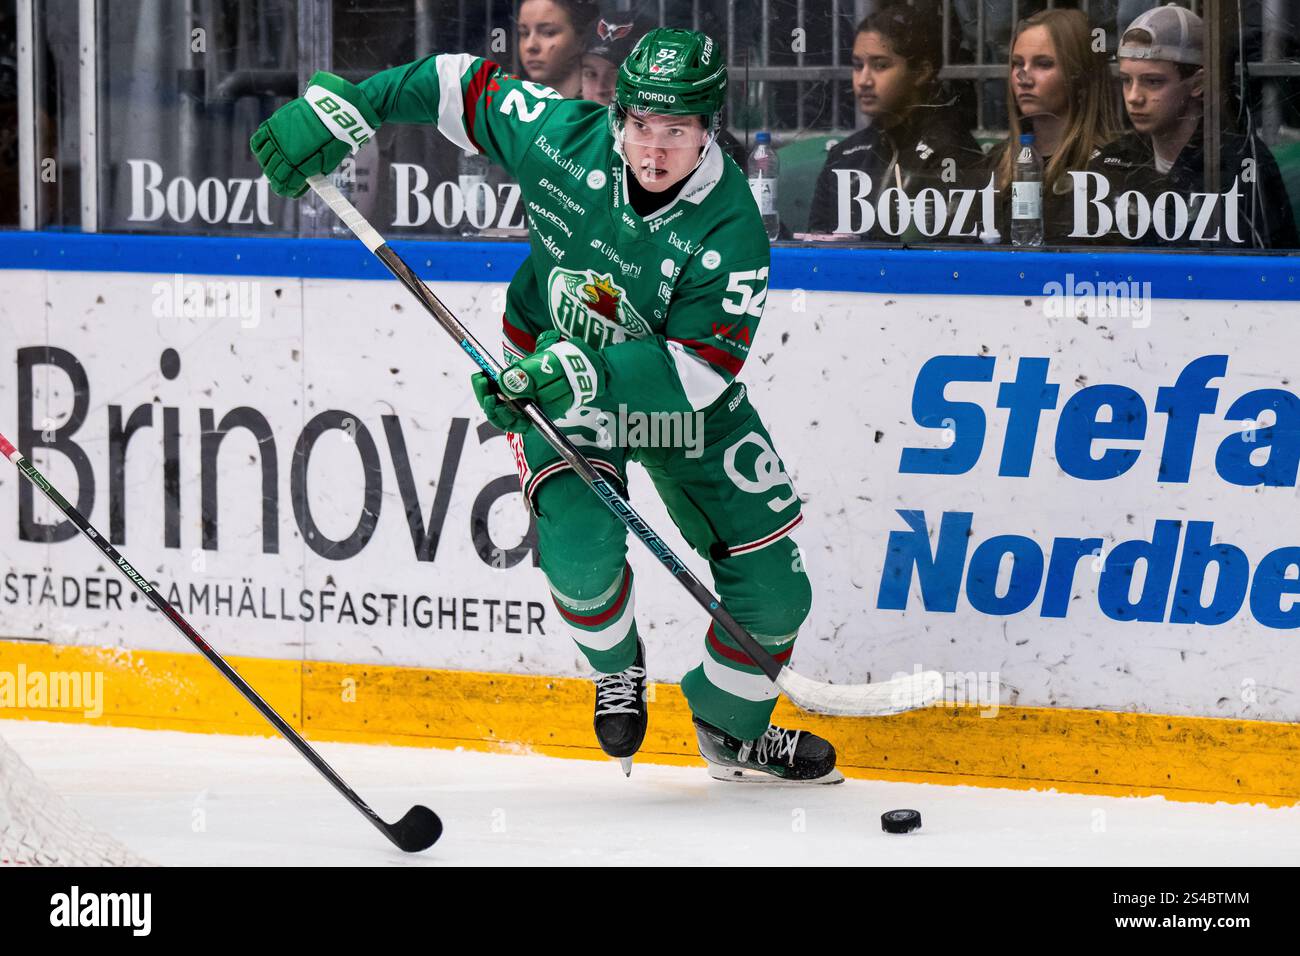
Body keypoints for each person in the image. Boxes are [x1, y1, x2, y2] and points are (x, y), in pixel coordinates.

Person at [249, 29, 839, 784]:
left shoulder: (731, 228)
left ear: (707, 130)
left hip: (680, 399)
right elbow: (456, 84)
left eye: (676, 133)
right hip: (555, 374)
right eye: (639, 128)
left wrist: (578, 368)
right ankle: (617, 668)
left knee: (777, 592)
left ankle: (731, 729)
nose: (653, 151)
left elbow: (697, 370)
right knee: (582, 552)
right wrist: (355, 107)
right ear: (616, 116)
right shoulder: (564, 140)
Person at [1089, 4, 1298, 249]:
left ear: (1197, 84)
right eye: (1126, 80)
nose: (1134, 96)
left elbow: (1263, 272)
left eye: (1153, 81)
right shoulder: (1114, 160)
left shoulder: (1237, 165)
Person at [805, 4, 986, 237]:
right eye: (858, 65)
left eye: (880, 65)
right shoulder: (845, 155)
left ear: (921, 72)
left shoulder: (952, 153)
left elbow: (954, 263)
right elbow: (816, 250)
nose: (863, 80)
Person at [990, 8, 1121, 243]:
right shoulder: (997, 161)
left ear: (1079, 76)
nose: (1024, 77)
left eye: (1043, 64)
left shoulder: (1110, 168)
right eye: (1017, 63)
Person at [580, 10, 749, 168]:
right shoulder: (570, 139)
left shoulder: (716, 151)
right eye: (590, 74)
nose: (600, 89)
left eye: (616, 76)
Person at [517, 0, 599, 99]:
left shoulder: (600, 105)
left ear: (581, 39)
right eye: (524, 33)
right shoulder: (515, 105)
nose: (530, 46)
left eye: (548, 33)